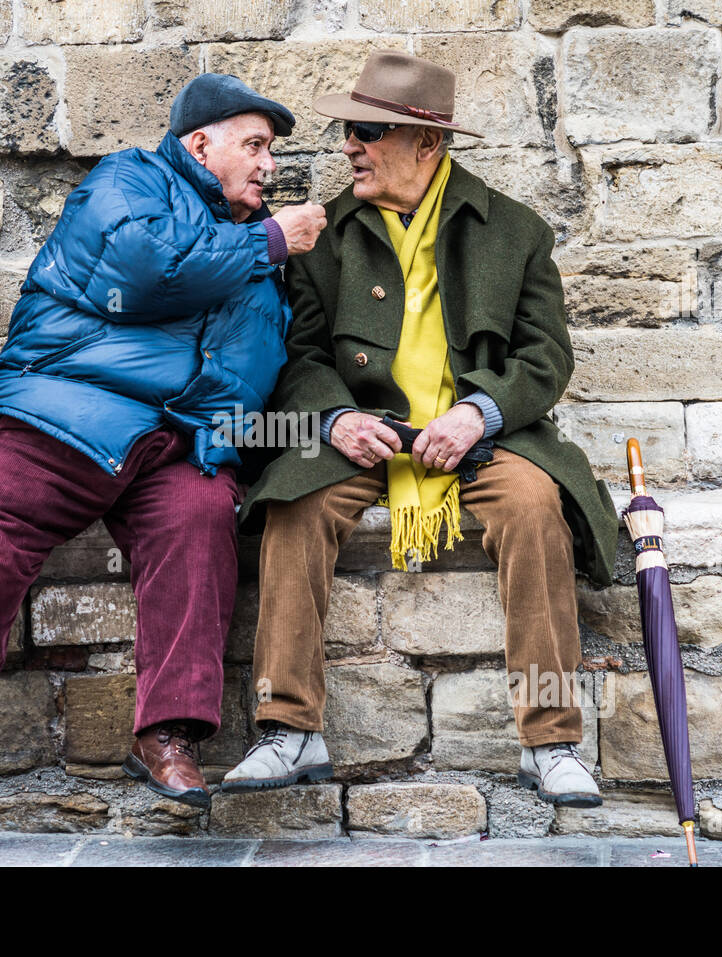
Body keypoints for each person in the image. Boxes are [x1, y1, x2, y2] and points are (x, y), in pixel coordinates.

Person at [0, 74, 327, 866]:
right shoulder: (131, 180)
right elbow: (148, 270)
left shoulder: (260, 243)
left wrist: (313, 427)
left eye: (271, 150)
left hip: (174, 439)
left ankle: (167, 734)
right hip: (56, 416)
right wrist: (271, 241)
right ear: (201, 144)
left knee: (202, 516)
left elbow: (273, 364)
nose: (268, 166)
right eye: (254, 146)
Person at [225, 51, 619, 808]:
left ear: (426, 144)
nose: (348, 146)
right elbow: (300, 354)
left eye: (367, 132)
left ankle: (552, 740)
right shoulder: (325, 237)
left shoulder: (515, 231)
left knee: (537, 510)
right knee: (294, 505)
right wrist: (335, 417)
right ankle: (288, 728)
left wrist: (480, 411)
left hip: (487, 437)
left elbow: (547, 358)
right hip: (365, 434)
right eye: (349, 128)